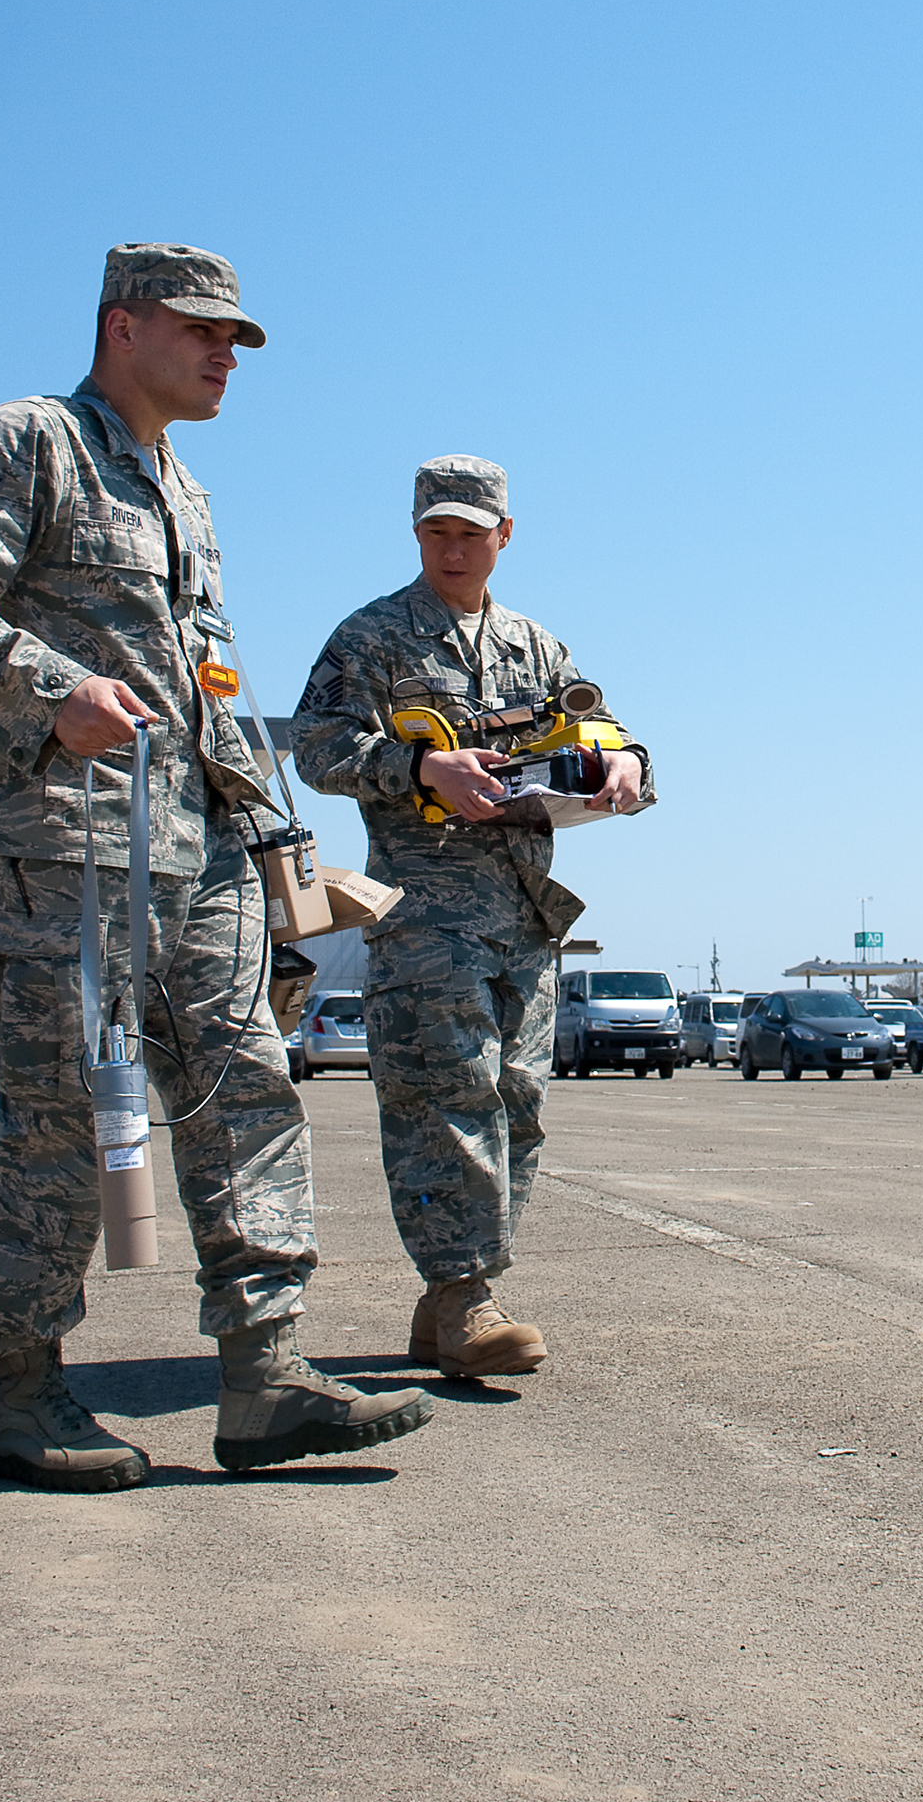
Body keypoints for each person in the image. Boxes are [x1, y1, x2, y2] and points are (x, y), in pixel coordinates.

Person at [0, 242, 434, 1489]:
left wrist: (277, 833)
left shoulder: (182, 491)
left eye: (240, 339)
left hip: (204, 851)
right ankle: (23, 1392)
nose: (226, 355)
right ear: (123, 326)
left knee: (249, 1090)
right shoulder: (25, 443)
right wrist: (52, 689)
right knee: (65, 1119)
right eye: (204, 330)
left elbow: (207, 685)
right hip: (62, 848)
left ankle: (267, 1377)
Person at [291, 456, 650, 1379]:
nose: (453, 548)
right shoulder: (371, 637)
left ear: (504, 535)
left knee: (519, 1105)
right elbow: (318, 747)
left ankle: (453, 1294)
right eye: (436, 532)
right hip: (425, 912)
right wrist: (419, 769)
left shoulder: (537, 647)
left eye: (470, 532)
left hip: (525, 914)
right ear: (416, 535)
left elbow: (602, 729)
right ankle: (465, 1292)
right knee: (444, 1099)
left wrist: (624, 767)